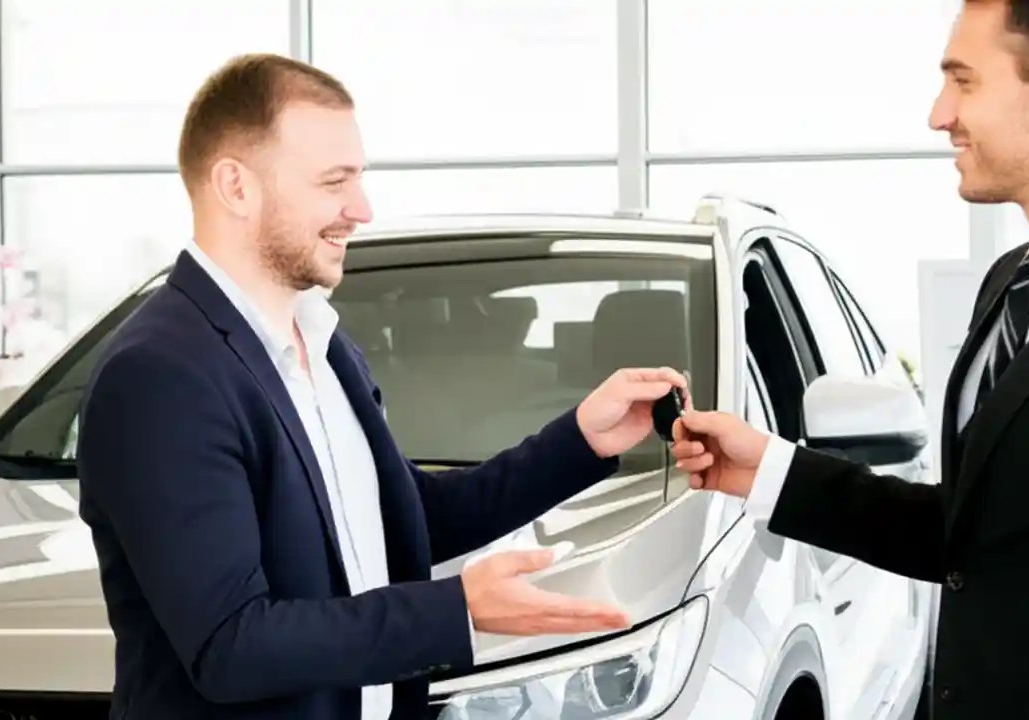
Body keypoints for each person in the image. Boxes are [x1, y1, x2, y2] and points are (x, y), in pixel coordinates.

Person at [76, 53, 687, 720]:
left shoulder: (322, 340)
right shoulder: (161, 374)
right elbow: (233, 644)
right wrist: (454, 611)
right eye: (334, 182)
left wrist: (579, 441)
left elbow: (402, 517)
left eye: (359, 180)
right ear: (236, 187)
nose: (360, 210)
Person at [670, 1, 1029, 718]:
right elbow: (971, 540)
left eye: (964, 81)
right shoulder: (1014, 284)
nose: (939, 114)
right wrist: (770, 470)